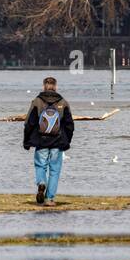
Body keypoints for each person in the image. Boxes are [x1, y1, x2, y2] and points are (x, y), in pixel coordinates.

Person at [22, 75, 74, 206]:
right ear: (55, 86)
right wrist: (67, 141)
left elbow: (29, 123)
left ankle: (41, 183)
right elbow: (69, 125)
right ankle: (49, 199)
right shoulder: (63, 102)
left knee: (40, 165)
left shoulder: (37, 102)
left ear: (43, 86)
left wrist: (26, 141)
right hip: (58, 141)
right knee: (55, 170)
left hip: (41, 141)